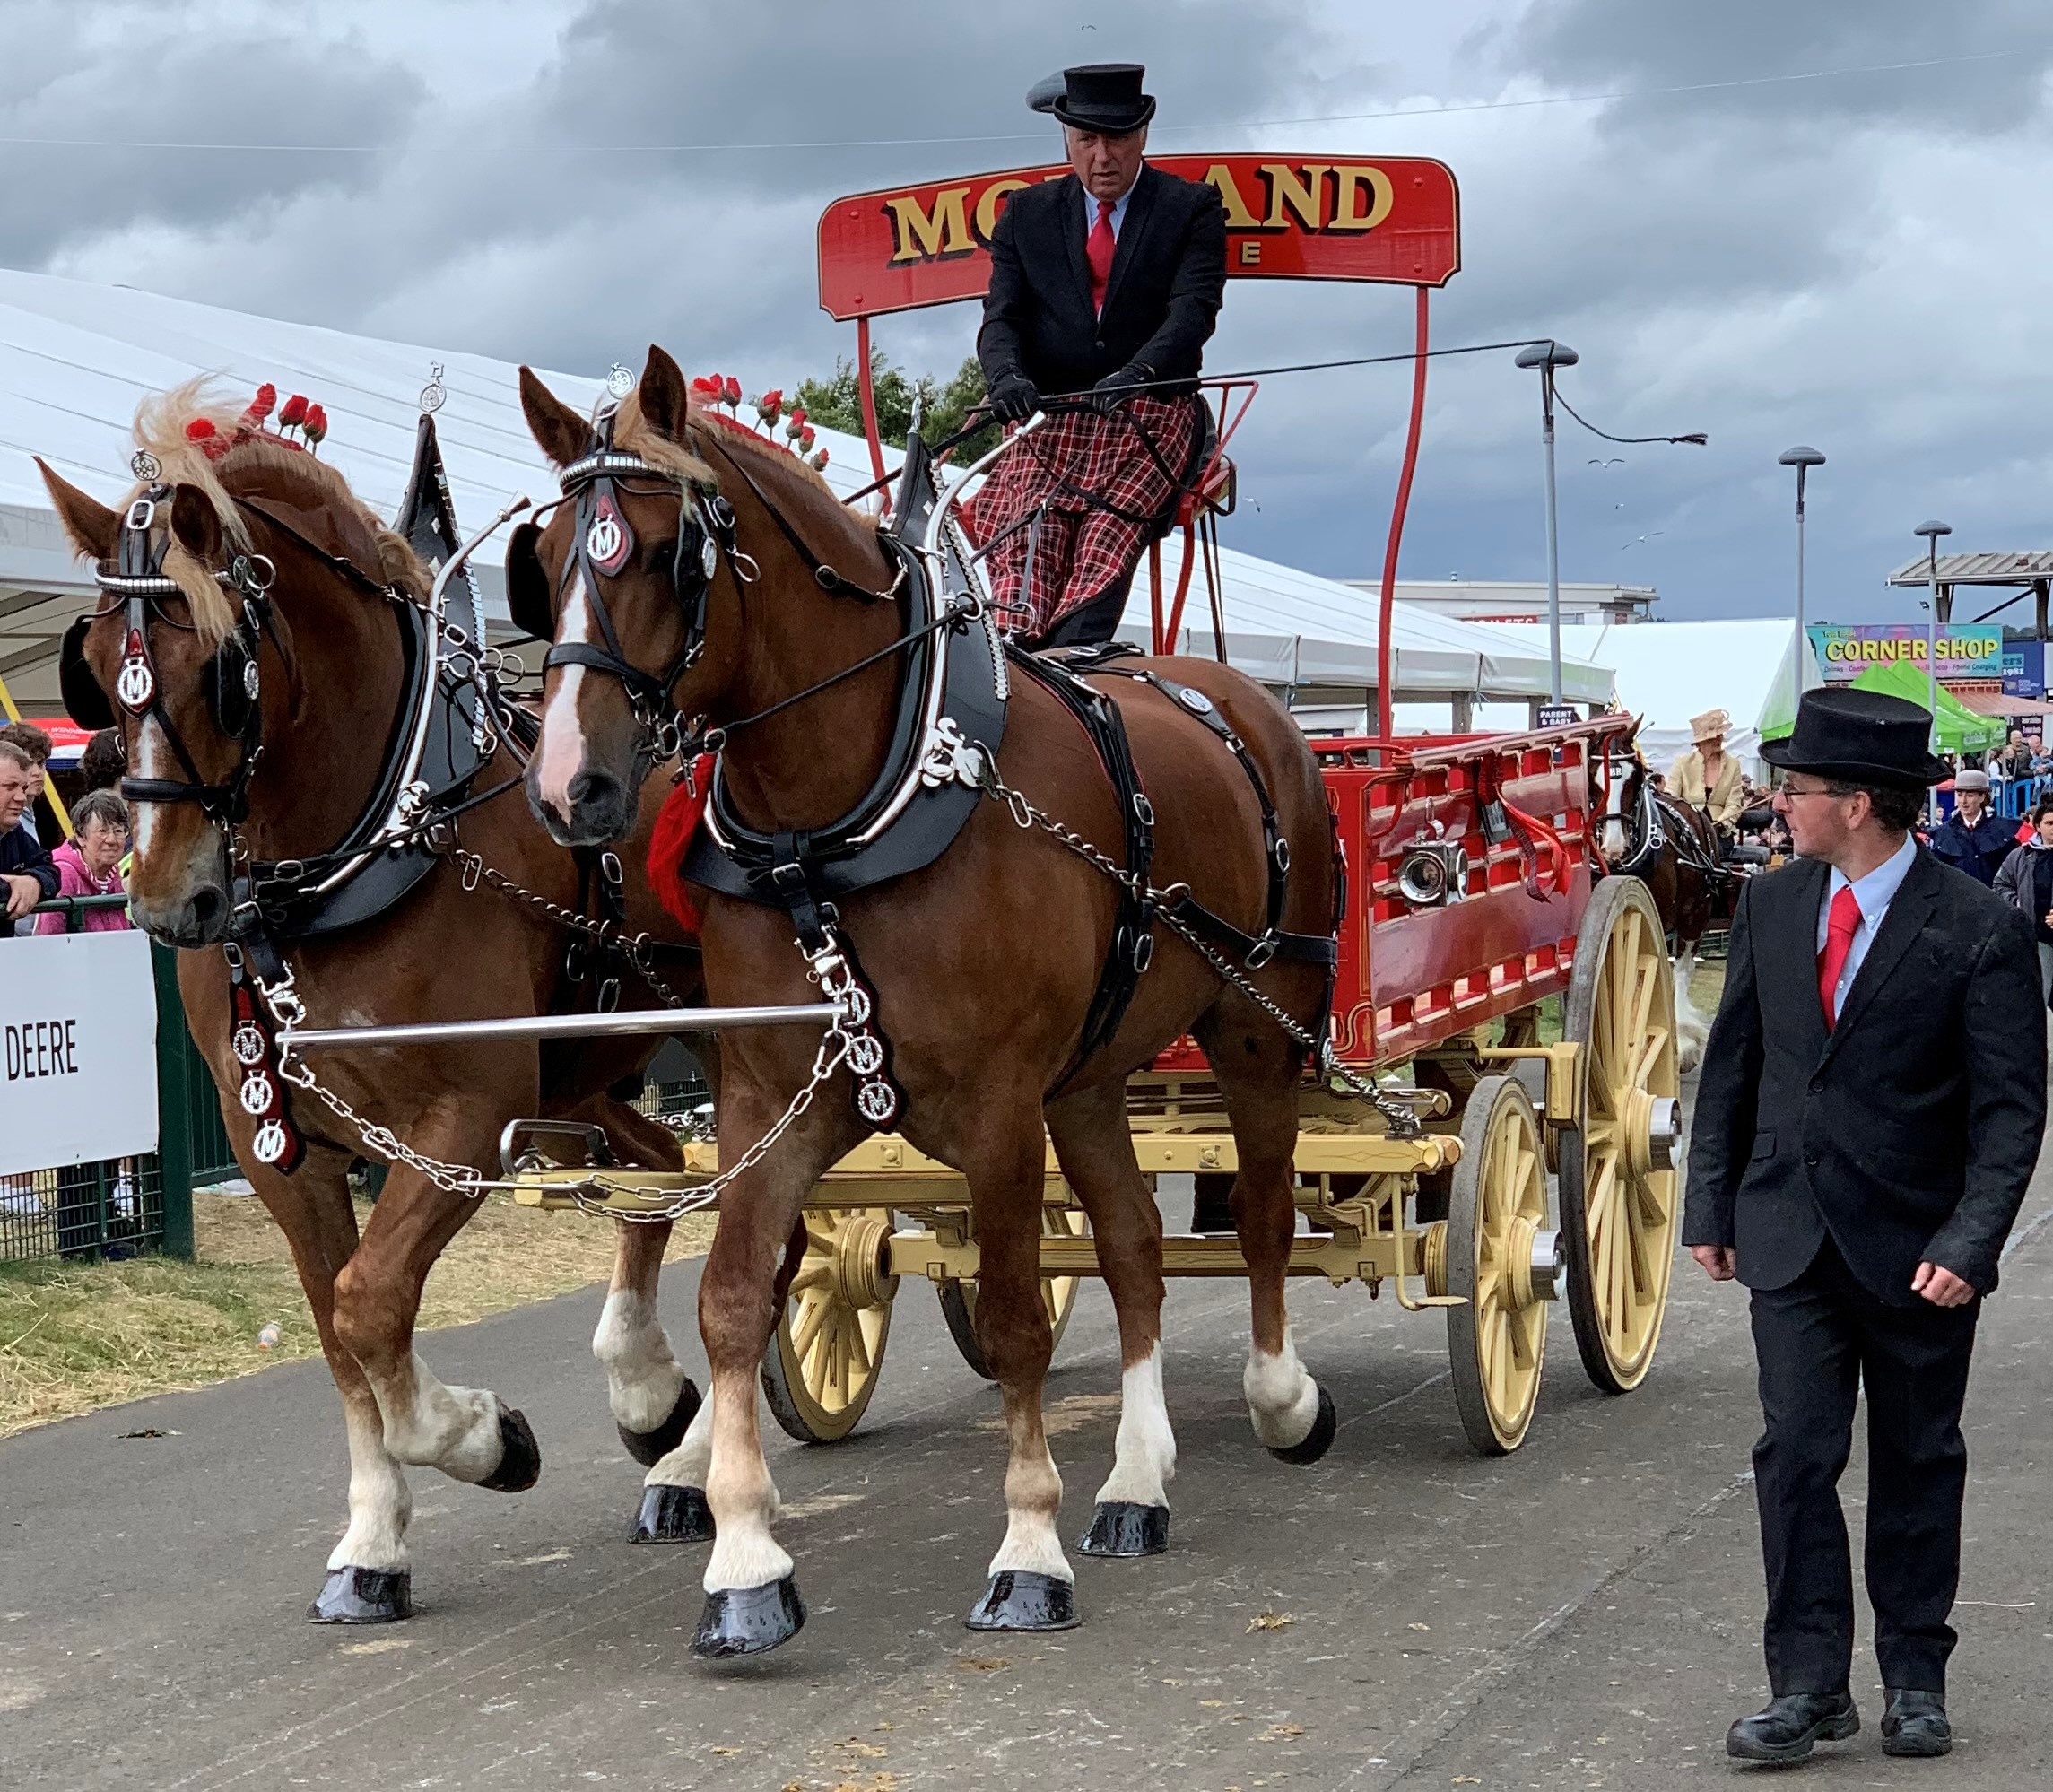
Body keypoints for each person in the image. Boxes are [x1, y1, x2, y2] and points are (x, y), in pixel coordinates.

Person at [1684, 687, 2046, 1765]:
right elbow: (1735, 1067)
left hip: (1918, 1251)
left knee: (1918, 1458)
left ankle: (1917, 1678)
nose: (1778, 804)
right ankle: (1806, 1686)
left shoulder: (1980, 924)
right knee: (1794, 1454)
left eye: (1796, 789)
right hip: (1788, 1236)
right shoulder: (1773, 907)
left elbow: (2011, 1110)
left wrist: (1970, 1242)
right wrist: (1711, 1205)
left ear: (1856, 803)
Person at [973, 62, 1227, 647]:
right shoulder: (1025, 214)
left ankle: (1073, 661)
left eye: (1115, 139)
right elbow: (1001, 318)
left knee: (1104, 536)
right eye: (1087, 141)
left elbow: (1194, 311)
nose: (1102, 157)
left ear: (1141, 136)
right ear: (1067, 140)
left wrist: (1138, 373)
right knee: (1024, 536)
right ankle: (1017, 656)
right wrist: (1006, 376)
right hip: (1053, 418)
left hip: (1150, 417)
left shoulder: (1189, 208)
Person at [33, 790, 132, 935]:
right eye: (102, 831)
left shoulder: (114, 875)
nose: (111, 840)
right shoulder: (64, 874)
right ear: (80, 837)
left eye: (118, 831)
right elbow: (49, 937)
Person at [1992, 798, 2053, 999]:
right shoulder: (2020, 856)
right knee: (2038, 997)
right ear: (2037, 826)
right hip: (2038, 939)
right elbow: (2000, 884)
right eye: (2050, 823)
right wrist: (2019, 905)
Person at [0, 740, 58, 930]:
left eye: (24, 788)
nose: (21, 798)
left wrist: (34, 881)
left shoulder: (14, 832)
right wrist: (12, 888)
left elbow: (50, 868)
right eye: (10, 787)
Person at [1928, 768, 2015, 886]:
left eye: (1970, 795)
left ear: (1982, 797)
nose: (1963, 801)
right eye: (1959, 795)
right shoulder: (1942, 833)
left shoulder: (2005, 829)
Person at [1670, 709, 1745, 829]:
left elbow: (1734, 803)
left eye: (1720, 735)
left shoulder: (1733, 764)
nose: (1718, 740)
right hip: (1689, 828)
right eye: (1712, 738)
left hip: (1720, 828)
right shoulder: (1682, 763)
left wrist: (1723, 823)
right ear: (1700, 742)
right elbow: (1671, 799)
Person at [0, 720, 52, 842]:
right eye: (27, 765)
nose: (37, 772)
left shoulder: (28, 814)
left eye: (40, 763)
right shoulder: (8, 818)